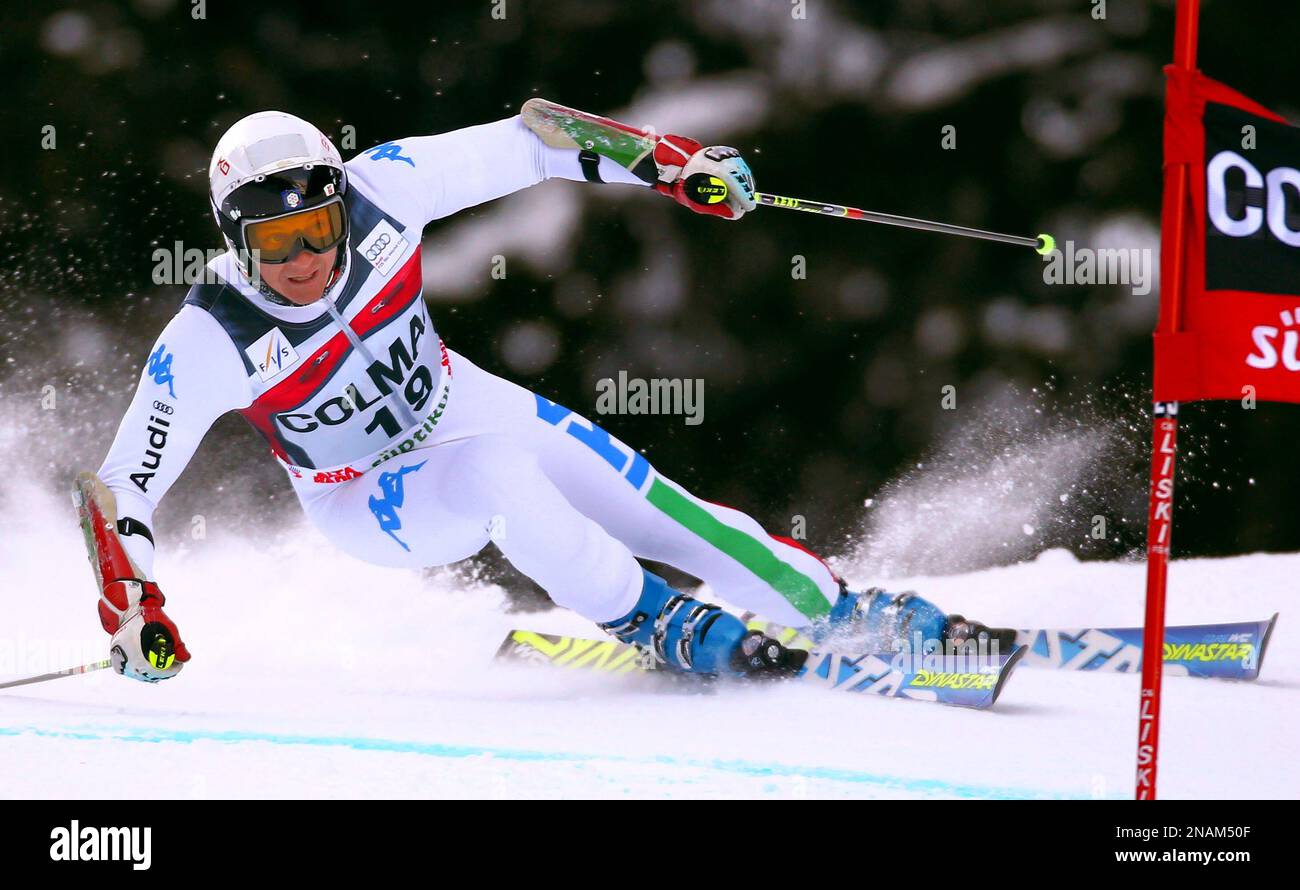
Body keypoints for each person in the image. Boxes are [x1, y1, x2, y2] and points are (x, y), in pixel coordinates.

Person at [83, 102, 1009, 683]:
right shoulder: (209, 338)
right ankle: (654, 621)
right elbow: (124, 488)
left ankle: (837, 609)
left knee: (657, 505)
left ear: (343, 200)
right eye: (275, 242)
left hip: (453, 399)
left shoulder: (388, 187)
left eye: (319, 227)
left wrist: (669, 164)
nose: (306, 259)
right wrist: (135, 607)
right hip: (361, 495)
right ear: (233, 237)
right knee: (493, 475)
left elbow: (536, 142)